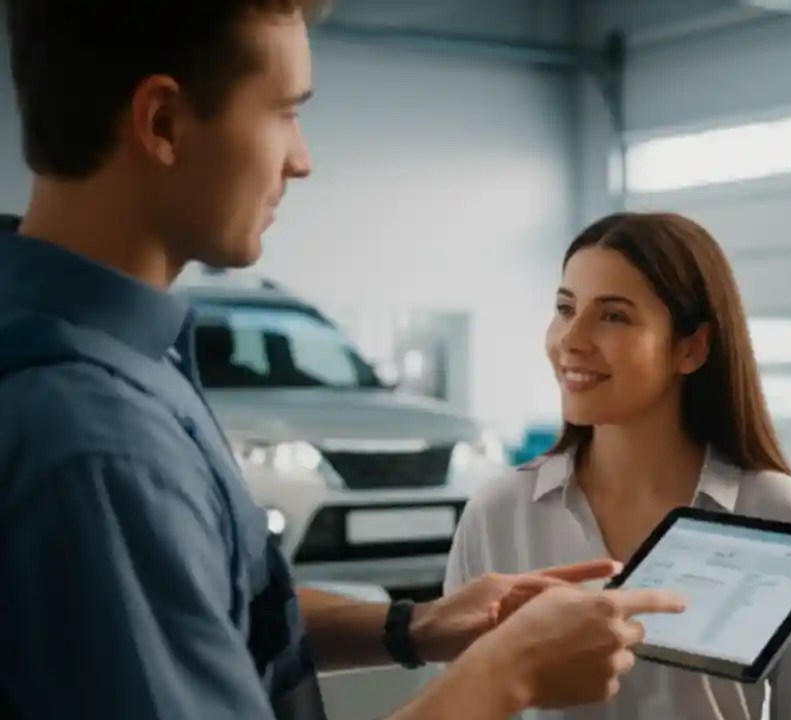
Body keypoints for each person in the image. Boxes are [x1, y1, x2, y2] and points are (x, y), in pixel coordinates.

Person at [0, 2, 685, 719]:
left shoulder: (92, 344)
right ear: (164, 123)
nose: (302, 159)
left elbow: (205, 606)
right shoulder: (100, 441)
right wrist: (507, 675)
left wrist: (415, 626)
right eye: (284, 113)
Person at [444, 212, 791, 720]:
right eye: (565, 308)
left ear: (692, 347)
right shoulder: (499, 512)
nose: (572, 338)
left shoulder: (775, 510)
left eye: (613, 315)